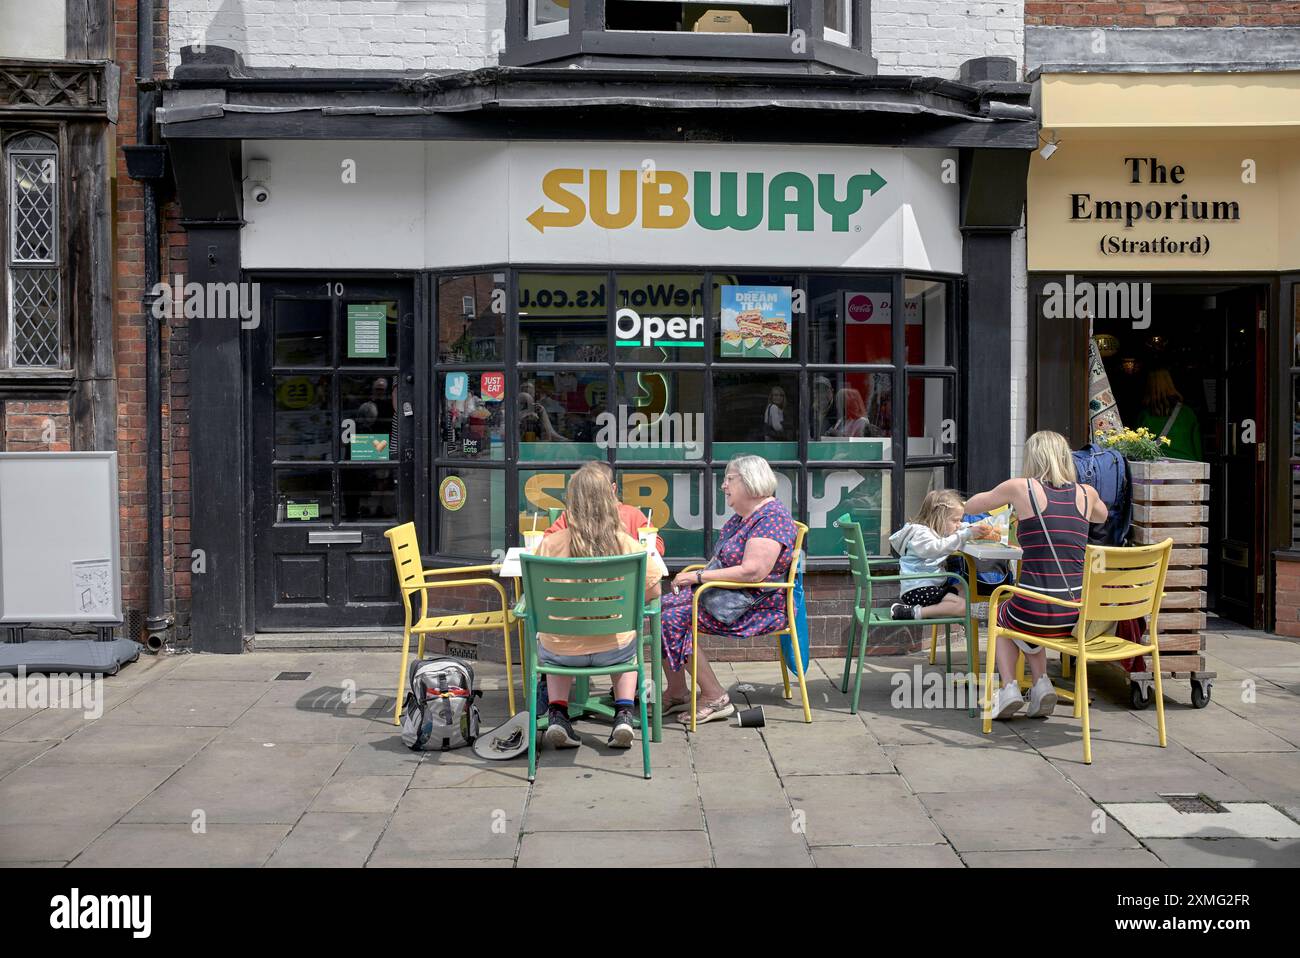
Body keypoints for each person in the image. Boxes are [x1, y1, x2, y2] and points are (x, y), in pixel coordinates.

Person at [965, 430, 1108, 721]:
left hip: (1033, 611)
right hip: (1073, 613)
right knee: (1030, 608)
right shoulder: (1086, 493)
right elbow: (1102, 516)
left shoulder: (1020, 488)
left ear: (1032, 457)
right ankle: (1041, 684)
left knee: (1000, 611)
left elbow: (972, 506)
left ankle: (1009, 688)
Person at [659, 454, 798, 726]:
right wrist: (698, 577)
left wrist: (698, 577)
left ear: (750, 482)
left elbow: (753, 572)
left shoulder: (772, 519)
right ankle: (677, 691)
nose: (724, 486)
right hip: (732, 598)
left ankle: (715, 697)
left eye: (729, 480)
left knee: (671, 619)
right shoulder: (745, 517)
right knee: (660, 608)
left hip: (758, 606)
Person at [533, 462, 662, 750]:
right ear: (609, 499)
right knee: (631, 639)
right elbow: (654, 590)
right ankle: (624, 713)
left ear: (571, 500)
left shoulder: (550, 545)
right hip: (613, 650)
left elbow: (535, 599)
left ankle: (558, 714)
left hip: (562, 653)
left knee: (550, 639)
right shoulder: (627, 545)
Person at [888, 490, 995, 621]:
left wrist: (974, 527)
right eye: (955, 520)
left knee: (965, 590)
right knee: (963, 606)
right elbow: (938, 548)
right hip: (917, 589)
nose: (958, 524)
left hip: (931, 586)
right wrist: (966, 534)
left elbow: (960, 528)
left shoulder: (936, 530)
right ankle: (913, 613)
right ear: (939, 518)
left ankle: (950, 610)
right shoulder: (921, 535)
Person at [544, 461, 665, 556]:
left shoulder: (571, 516)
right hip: (623, 584)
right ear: (612, 489)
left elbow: (547, 544)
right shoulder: (633, 515)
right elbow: (656, 549)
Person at [1137, 368, 1202, 462]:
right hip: (1187, 466)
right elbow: (1197, 444)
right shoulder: (1188, 413)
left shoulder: (1145, 415)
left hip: (1157, 466)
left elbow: (1138, 448)